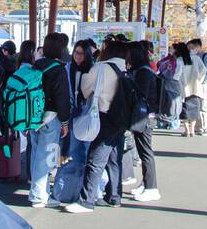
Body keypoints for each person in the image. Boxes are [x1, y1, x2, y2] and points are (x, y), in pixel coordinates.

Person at [64, 39, 129, 214]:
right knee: (115, 159)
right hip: (122, 119)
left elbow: (86, 89)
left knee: (95, 160)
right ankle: (114, 196)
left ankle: (86, 201)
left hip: (105, 117)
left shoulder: (102, 67)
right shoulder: (127, 67)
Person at [27, 33, 71, 207]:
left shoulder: (35, 66)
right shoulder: (58, 69)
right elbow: (62, 98)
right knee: (45, 157)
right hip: (50, 117)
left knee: (36, 154)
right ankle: (39, 196)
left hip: (33, 116)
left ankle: (38, 192)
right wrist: (65, 121)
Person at [125, 41, 160, 202]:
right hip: (146, 116)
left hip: (145, 118)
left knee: (146, 153)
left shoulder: (143, 73)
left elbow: (140, 95)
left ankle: (152, 187)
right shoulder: (143, 70)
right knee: (143, 151)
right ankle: (146, 184)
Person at [187, 38, 207, 136]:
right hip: (194, 84)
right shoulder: (191, 57)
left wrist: (203, 81)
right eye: (189, 47)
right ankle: (199, 127)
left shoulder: (205, 56)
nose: (190, 49)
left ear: (198, 47)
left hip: (203, 84)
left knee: (205, 106)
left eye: (192, 47)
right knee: (197, 105)